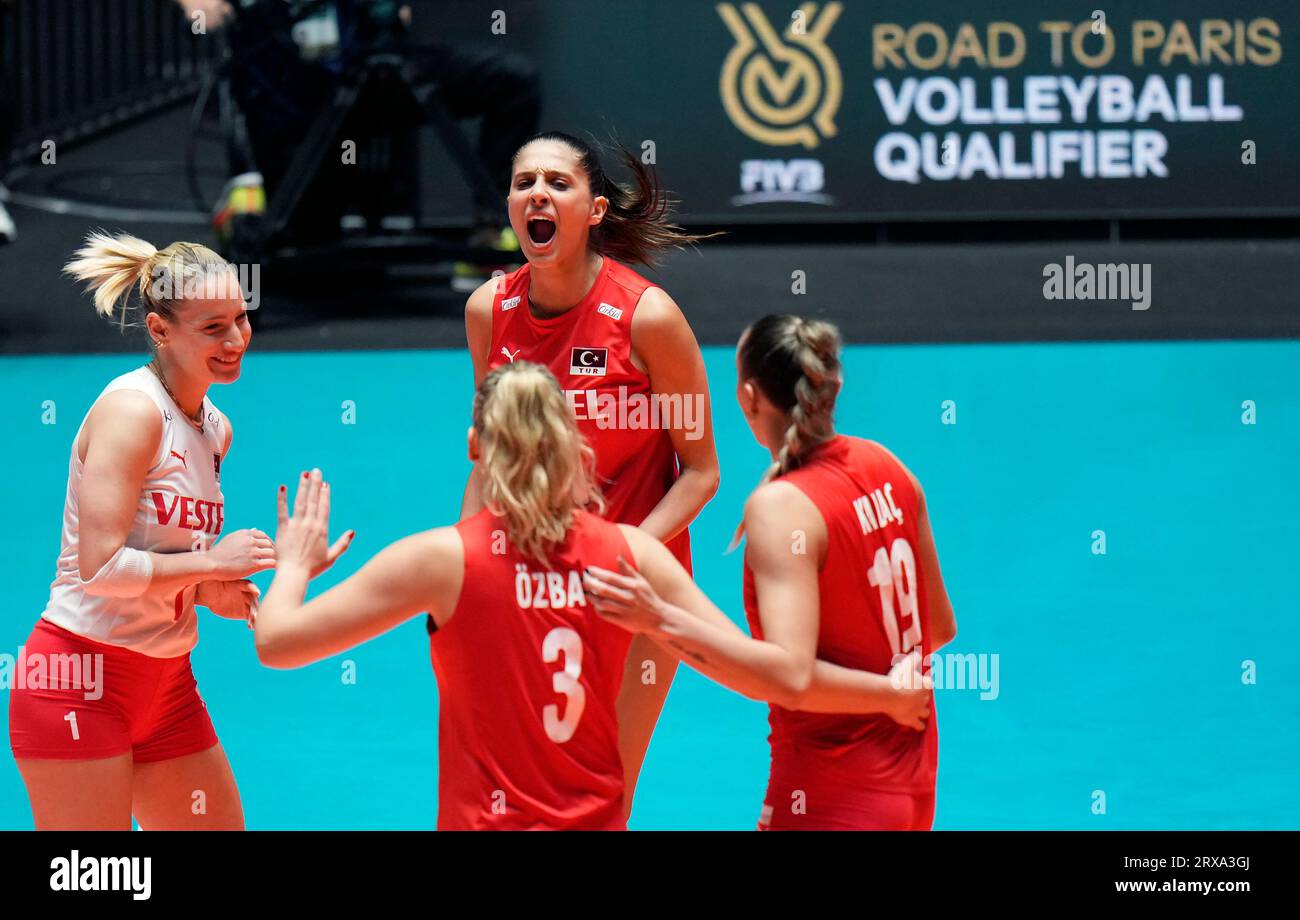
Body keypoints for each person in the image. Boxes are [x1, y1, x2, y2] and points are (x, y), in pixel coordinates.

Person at [257, 362, 691, 829]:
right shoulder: (630, 552)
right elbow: (764, 671)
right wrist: (664, 619)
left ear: (474, 445)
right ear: (573, 445)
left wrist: (295, 566)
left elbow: (276, 643)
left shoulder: (443, 561)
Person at [582, 314, 958, 830]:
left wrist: (658, 620)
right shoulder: (889, 467)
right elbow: (938, 627)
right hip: (912, 787)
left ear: (750, 398)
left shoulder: (782, 505)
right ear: (832, 387)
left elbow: (790, 675)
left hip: (829, 793)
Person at [459, 131, 721, 814]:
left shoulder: (648, 318)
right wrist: (466, 570)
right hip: (526, 583)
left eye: (558, 182)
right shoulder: (489, 310)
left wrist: (626, 558)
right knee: (514, 791)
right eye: (523, 183)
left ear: (596, 210)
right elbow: (490, 461)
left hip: (630, 589)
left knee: (599, 796)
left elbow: (700, 470)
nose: (537, 194)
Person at [8, 232, 278, 829]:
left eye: (240, 319)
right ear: (160, 330)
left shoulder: (214, 428)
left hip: (167, 686)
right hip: (78, 680)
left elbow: (162, 559)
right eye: (213, 328)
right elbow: (101, 569)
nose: (236, 340)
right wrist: (212, 566)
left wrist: (214, 594)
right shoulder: (132, 411)